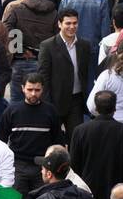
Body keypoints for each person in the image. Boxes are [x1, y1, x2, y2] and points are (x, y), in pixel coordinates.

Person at [38, 10, 93, 142]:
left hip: (77, 100)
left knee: (76, 138)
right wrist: (46, 102)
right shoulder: (48, 46)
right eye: (68, 23)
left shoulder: (84, 45)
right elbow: (43, 76)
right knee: (52, 139)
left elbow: (86, 73)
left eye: (75, 23)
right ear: (59, 24)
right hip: (55, 101)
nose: (72, 27)